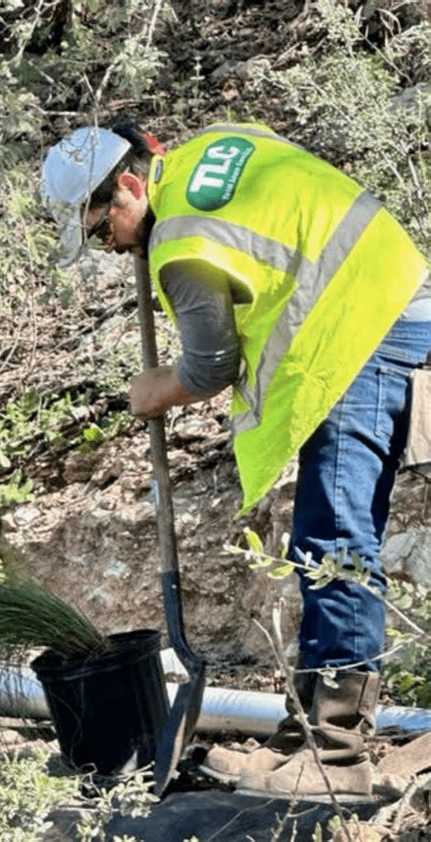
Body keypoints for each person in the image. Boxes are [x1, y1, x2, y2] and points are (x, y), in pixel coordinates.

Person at [42, 121, 430, 801]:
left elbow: (210, 364)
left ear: (131, 186)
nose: (111, 248)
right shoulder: (208, 151)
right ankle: (308, 732)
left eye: (104, 232)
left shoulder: (183, 244)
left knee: (333, 541)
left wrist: (153, 392)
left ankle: (337, 754)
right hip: (387, 296)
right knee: (327, 533)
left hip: (358, 328)